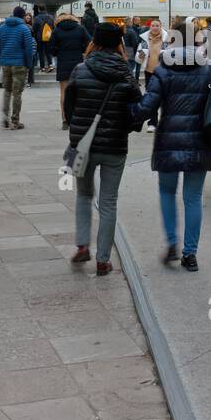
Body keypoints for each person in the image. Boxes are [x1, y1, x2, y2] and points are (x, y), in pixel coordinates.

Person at [132, 17, 211, 272]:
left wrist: (127, 109)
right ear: (197, 39)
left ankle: (172, 242)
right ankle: (191, 253)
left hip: (169, 140)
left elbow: (147, 108)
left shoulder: (163, 69)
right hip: (201, 140)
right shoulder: (210, 68)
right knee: (193, 197)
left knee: (167, 192)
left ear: (171, 39)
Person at [64, 22, 142, 276]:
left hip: (83, 145)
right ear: (119, 44)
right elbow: (137, 111)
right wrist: (127, 127)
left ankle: (83, 245)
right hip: (114, 145)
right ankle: (103, 260)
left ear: (94, 42)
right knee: (108, 202)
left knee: (84, 196)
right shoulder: (126, 74)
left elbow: (69, 108)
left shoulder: (80, 69)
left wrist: (77, 127)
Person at [0, 6, 36, 129]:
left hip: (6, 63)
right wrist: (29, 64)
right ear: (23, 16)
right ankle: (15, 121)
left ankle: (5, 118)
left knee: (7, 91)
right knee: (17, 93)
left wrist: (0, 60)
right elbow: (29, 49)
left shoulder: (1, 28)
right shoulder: (24, 29)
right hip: (20, 64)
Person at [52, 10, 92, 129]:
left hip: (63, 62)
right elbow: (89, 42)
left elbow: (51, 48)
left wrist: (58, 52)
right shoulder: (80, 29)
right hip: (77, 63)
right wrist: (82, 51)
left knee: (63, 92)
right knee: (78, 91)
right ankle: (76, 117)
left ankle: (65, 120)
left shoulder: (57, 30)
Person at [136, 18, 166, 132]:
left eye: (157, 25)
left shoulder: (167, 40)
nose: (154, 27)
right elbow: (137, 60)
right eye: (153, 25)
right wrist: (140, 56)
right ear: (150, 27)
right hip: (149, 73)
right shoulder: (144, 39)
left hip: (163, 73)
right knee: (152, 99)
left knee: (165, 98)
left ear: (160, 26)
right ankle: (152, 123)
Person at [34, 5, 56, 73]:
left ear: (39, 10)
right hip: (48, 36)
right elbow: (53, 27)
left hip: (40, 38)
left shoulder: (37, 18)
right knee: (48, 51)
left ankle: (42, 67)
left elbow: (34, 28)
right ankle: (50, 65)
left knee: (41, 52)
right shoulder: (51, 17)